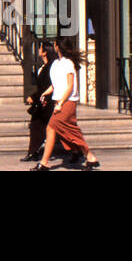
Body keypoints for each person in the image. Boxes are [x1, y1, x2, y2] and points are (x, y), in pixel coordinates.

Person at [33, 36, 101, 171]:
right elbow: (56, 84)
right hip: (59, 101)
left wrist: (61, 103)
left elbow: (70, 86)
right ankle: (87, 156)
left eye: (54, 44)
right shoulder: (55, 63)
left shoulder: (68, 63)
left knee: (52, 128)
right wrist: (45, 93)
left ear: (58, 46)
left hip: (67, 102)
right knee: (67, 130)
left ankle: (45, 162)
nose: (53, 47)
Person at [23, 41, 57, 162]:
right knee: (36, 126)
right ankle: (33, 152)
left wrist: (33, 97)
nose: (38, 50)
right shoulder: (44, 67)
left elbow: (46, 87)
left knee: (40, 126)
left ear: (45, 52)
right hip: (43, 101)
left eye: (40, 48)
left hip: (47, 103)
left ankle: (77, 150)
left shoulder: (50, 68)